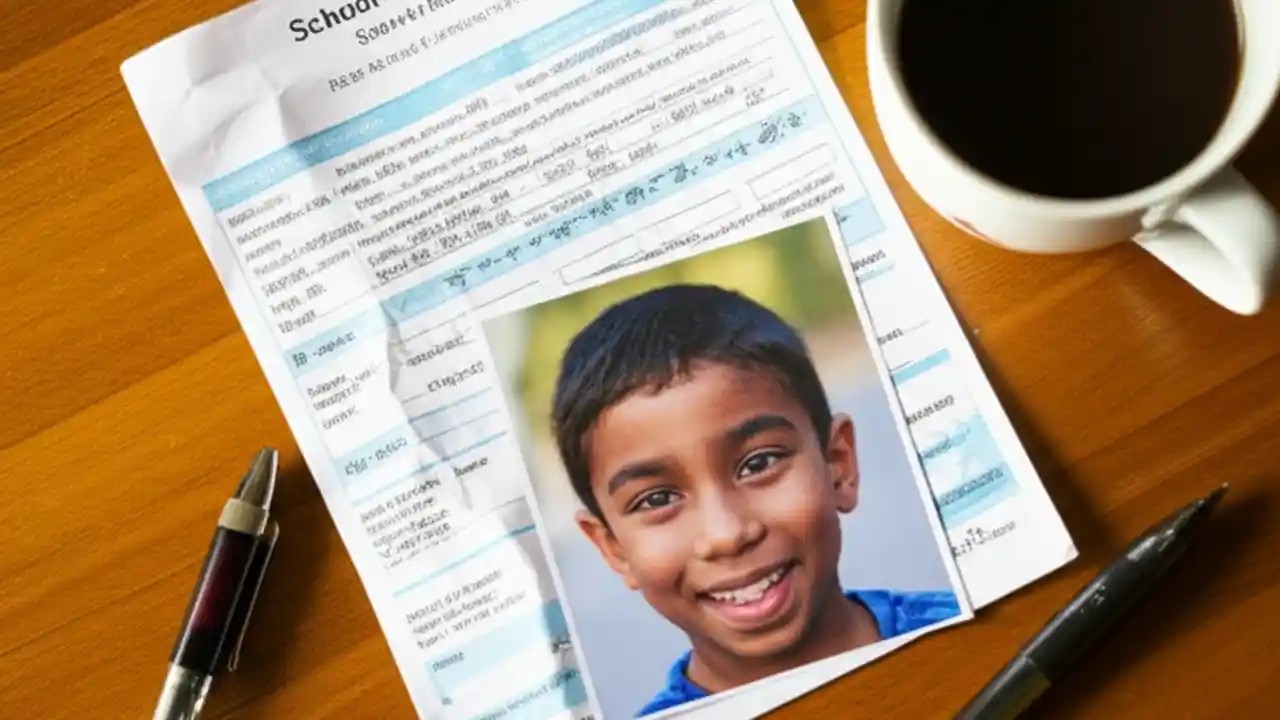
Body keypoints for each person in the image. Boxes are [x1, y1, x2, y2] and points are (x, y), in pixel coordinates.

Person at [550, 284, 960, 716]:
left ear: (838, 464)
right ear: (614, 548)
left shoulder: (970, 633)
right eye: (657, 499)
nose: (726, 535)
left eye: (759, 463)